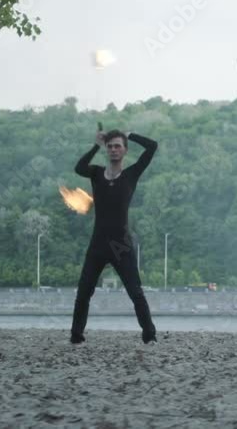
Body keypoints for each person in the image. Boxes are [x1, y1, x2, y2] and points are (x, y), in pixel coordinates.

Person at [70, 128, 157, 344]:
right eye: (110, 146)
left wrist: (131, 134)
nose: (113, 149)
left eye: (118, 146)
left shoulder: (131, 174)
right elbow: (79, 167)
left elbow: (152, 147)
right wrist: (96, 145)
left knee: (136, 292)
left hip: (121, 245)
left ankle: (150, 336)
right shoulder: (97, 174)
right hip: (98, 243)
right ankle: (76, 336)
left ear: (125, 150)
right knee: (83, 293)